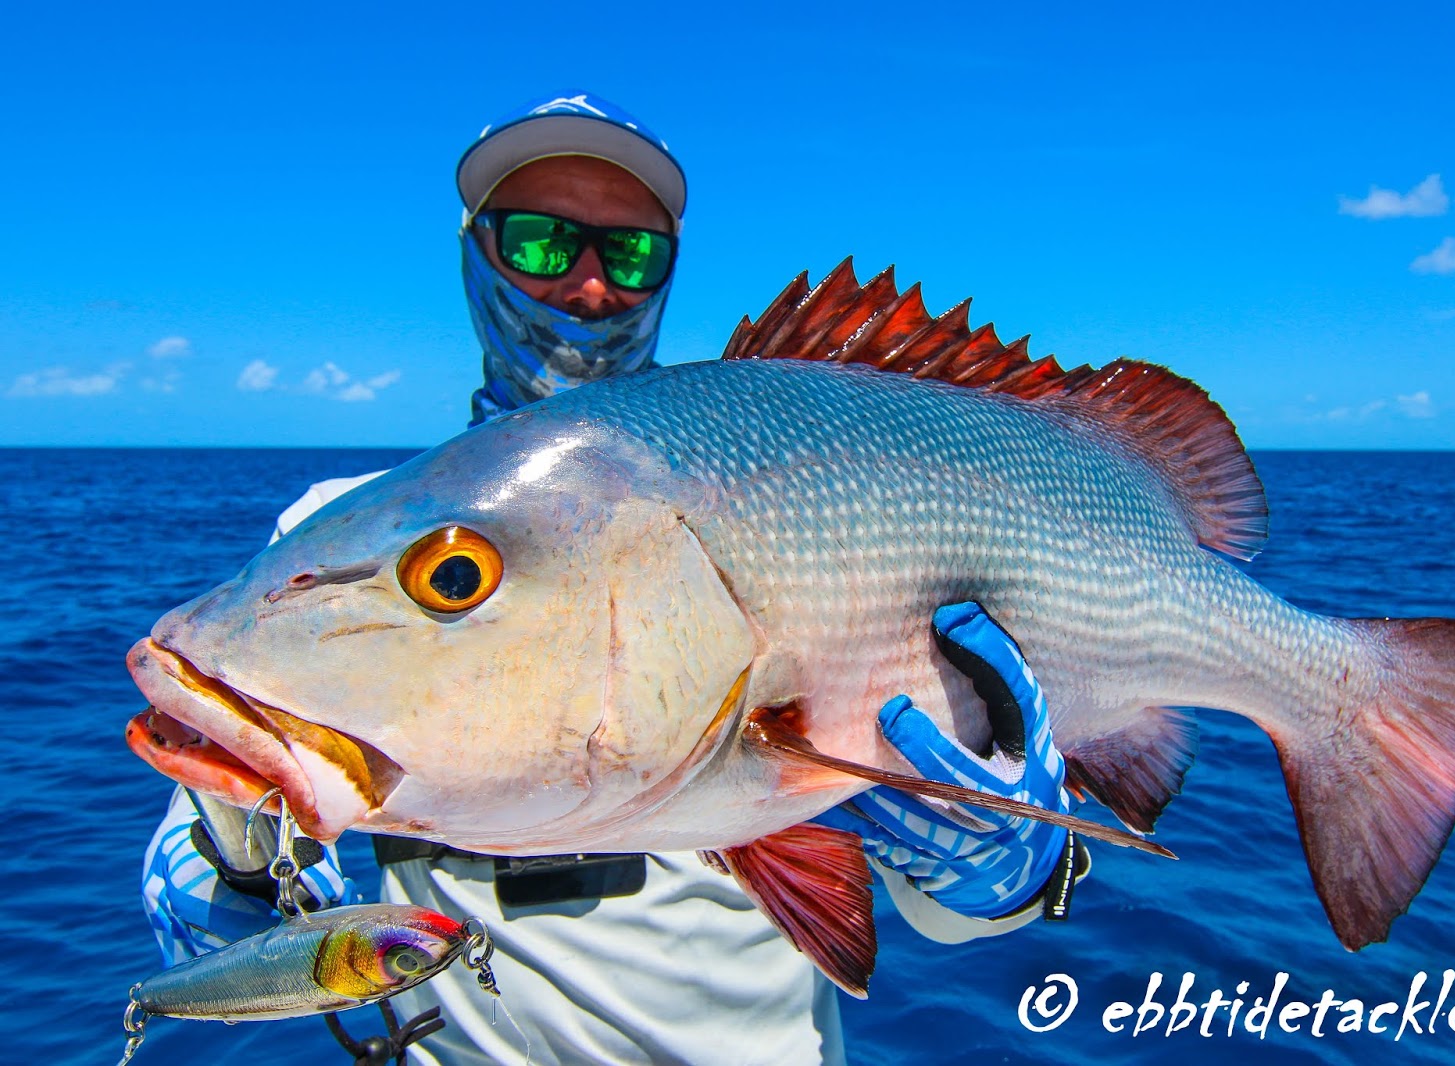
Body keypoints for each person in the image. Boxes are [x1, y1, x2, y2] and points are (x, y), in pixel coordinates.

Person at [140, 90, 1087, 1066]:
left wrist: (1012, 863)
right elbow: (198, 938)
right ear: (475, 252)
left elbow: (952, 925)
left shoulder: (775, 486)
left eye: (629, 255)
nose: (589, 287)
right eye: (544, 244)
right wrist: (242, 835)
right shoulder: (325, 535)